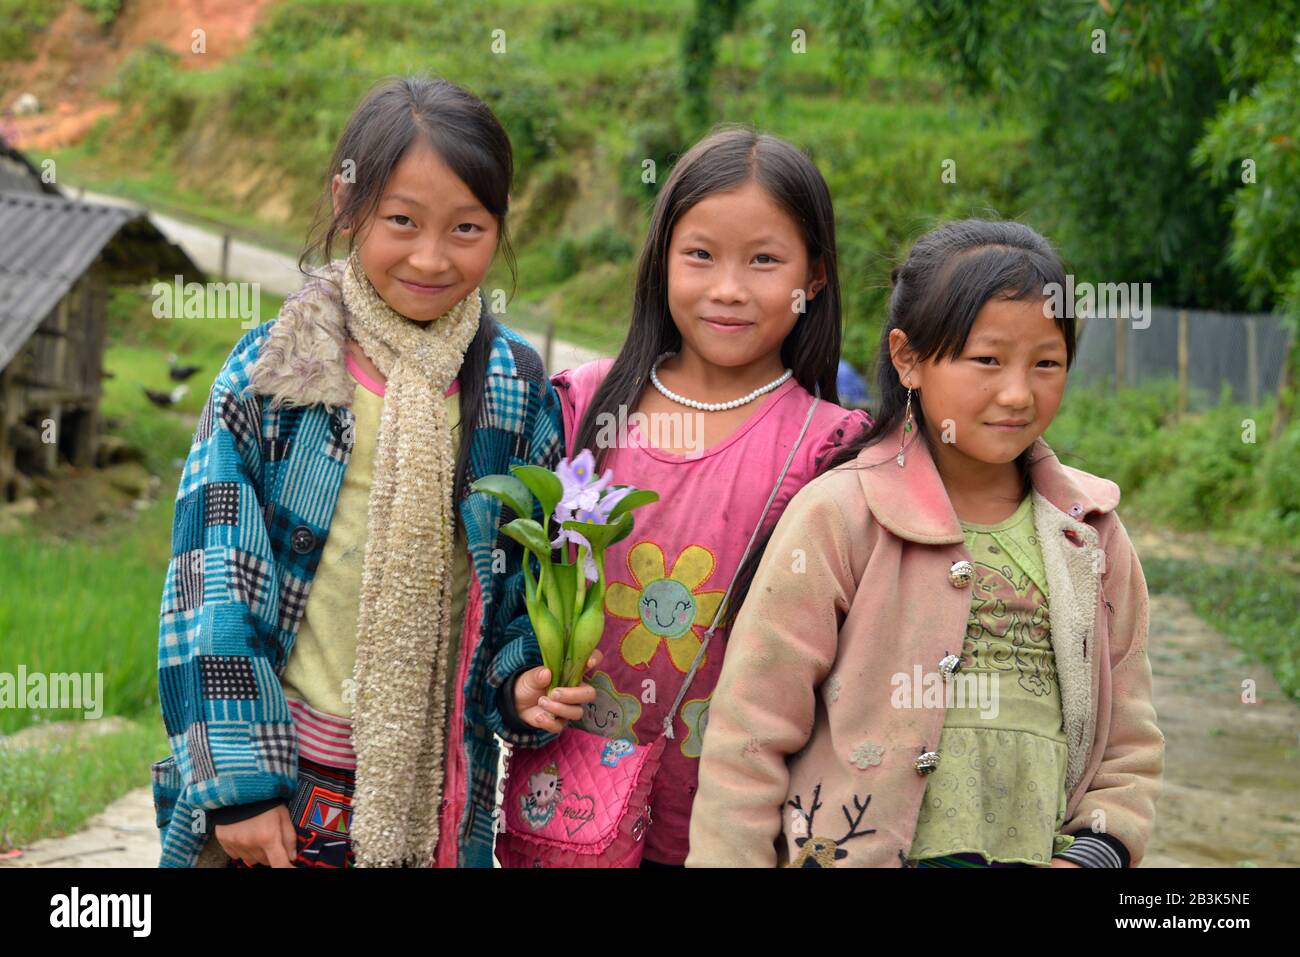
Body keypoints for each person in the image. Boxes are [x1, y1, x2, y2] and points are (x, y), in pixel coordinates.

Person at [149, 75, 596, 869]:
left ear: (499, 227)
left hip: (435, 792)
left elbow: (521, 581)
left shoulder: (512, 389)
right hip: (282, 788)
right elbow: (212, 581)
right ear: (347, 205)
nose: (431, 257)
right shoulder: (282, 367)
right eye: (401, 221)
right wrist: (241, 787)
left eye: (467, 227)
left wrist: (521, 680)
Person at [687, 219, 1164, 867]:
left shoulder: (1092, 532)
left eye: (1046, 362)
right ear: (908, 358)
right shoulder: (842, 515)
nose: (1018, 392)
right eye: (987, 360)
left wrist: (1096, 851)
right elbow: (748, 737)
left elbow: (1129, 744)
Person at [526, 126, 870, 867]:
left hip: (726, 831)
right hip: (563, 814)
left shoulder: (831, 450)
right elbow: (510, 598)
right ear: (661, 261)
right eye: (701, 255)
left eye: (765, 261)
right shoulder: (583, 407)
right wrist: (519, 681)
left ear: (814, 278)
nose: (728, 289)